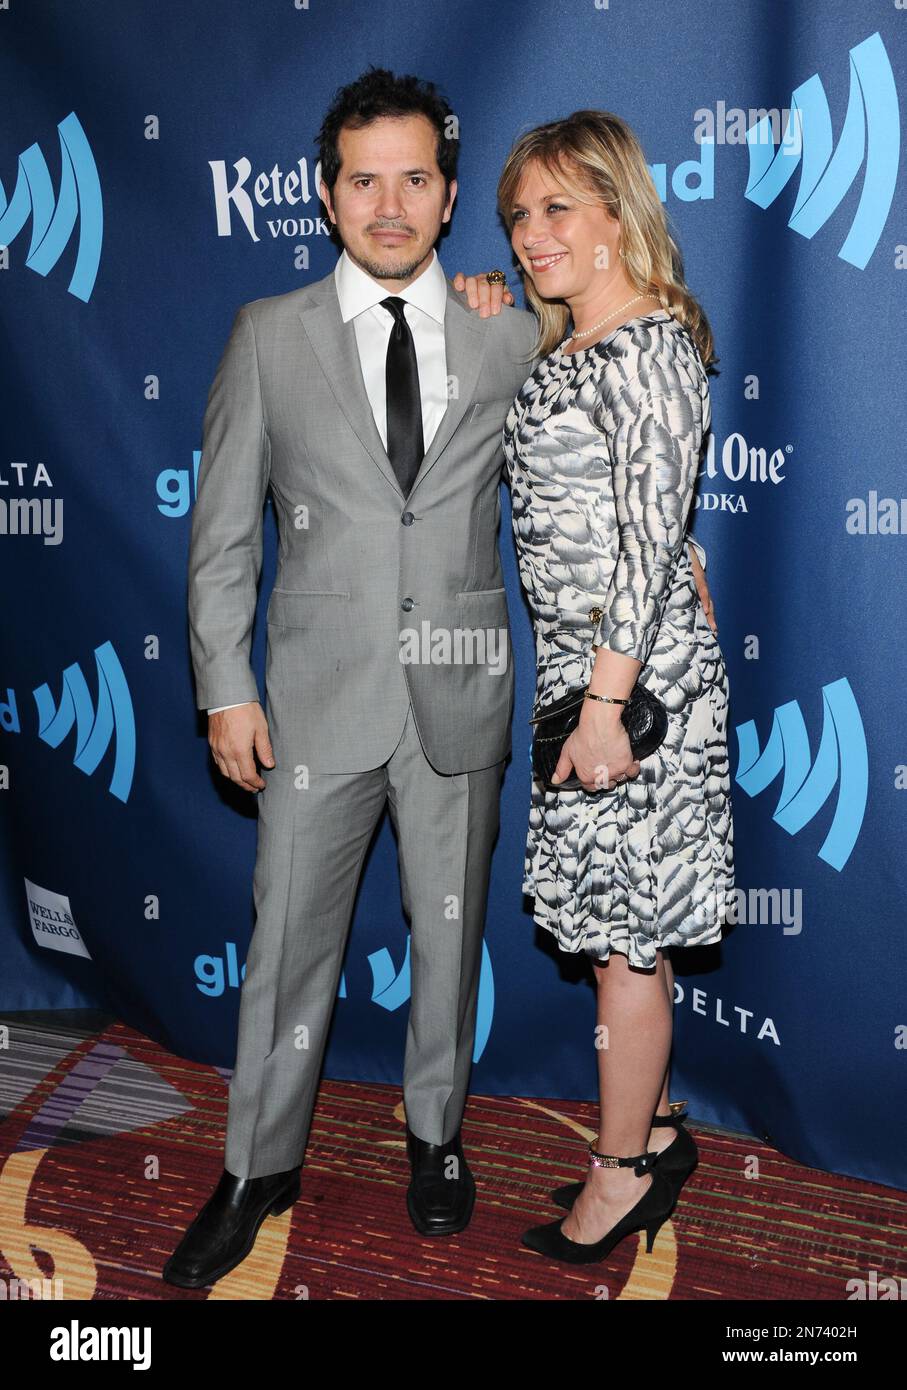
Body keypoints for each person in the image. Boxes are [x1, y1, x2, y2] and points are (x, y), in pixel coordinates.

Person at [166, 67, 542, 1289]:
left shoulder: (506, 324)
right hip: (315, 702)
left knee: (449, 938)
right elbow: (223, 530)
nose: (390, 204)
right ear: (326, 197)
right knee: (288, 946)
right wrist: (226, 686)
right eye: (363, 179)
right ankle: (256, 1164)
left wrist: (676, 551)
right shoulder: (267, 335)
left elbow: (593, 460)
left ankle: (434, 1137)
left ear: (447, 198)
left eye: (415, 179)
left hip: (459, 689)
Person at [494, 108, 735, 1265]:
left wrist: (604, 706)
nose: (532, 234)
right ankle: (648, 1128)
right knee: (614, 933)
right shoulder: (583, 342)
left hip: (621, 690)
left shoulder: (645, 343)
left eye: (556, 208)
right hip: (598, 671)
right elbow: (656, 531)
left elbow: (646, 542)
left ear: (614, 211)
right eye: (518, 216)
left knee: (625, 942)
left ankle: (624, 1171)